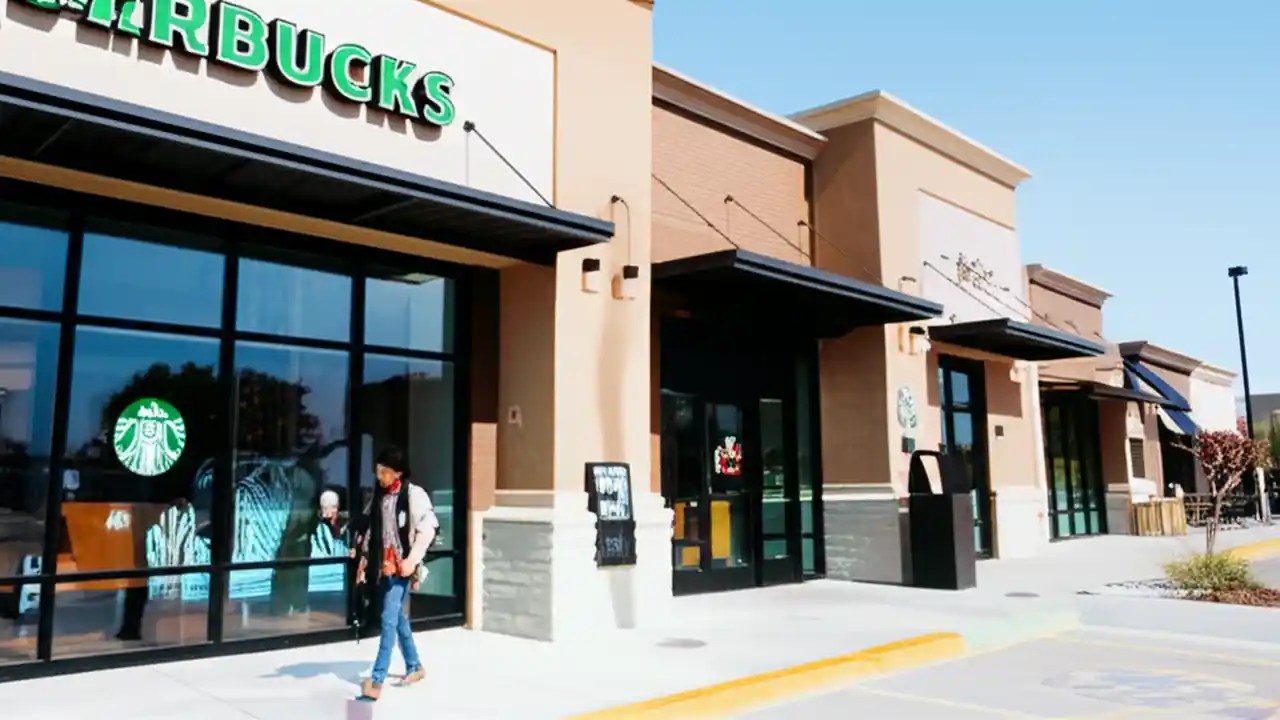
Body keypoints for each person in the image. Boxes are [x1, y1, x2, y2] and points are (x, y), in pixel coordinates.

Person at [352, 446, 438, 701]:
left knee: (388, 619)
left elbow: (429, 528)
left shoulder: (414, 495)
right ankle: (415, 666)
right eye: (378, 471)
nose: (380, 477)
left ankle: (376, 680)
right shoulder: (379, 496)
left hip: (402, 565)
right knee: (398, 617)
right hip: (384, 564)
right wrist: (362, 557)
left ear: (398, 473)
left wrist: (411, 562)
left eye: (385, 472)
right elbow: (367, 527)